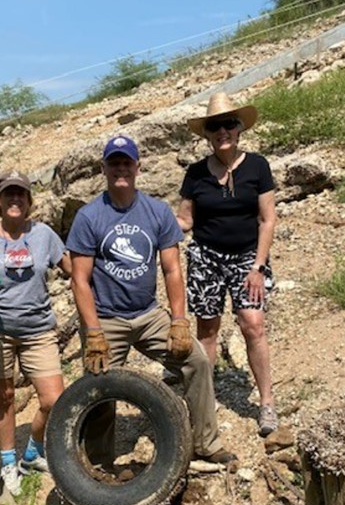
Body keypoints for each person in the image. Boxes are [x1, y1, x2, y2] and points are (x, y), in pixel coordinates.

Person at [66, 134, 237, 469]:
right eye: (114, 163)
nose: (121, 169)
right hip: (106, 318)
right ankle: (98, 465)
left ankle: (206, 443)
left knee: (197, 361)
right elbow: (80, 280)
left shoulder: (157, 212)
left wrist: (179, 321)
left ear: (138, 167)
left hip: (148, 315)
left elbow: (172, 269)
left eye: (126, 163)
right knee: (99, 384)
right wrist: (93, 332)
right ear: (103, 169)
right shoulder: (89, 217)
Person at [0, 171, 72, 496]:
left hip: (38, 329)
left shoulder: (44, 235)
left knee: (53, 399)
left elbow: (72, 268)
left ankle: (32, 453)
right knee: (4, 396)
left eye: (21, 194)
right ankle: (8, 461)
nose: (15, 199)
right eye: (9, 194)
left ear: (29, 201)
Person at [178, 92, 279, 437]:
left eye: (229, 124)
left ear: (239, 129)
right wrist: (150, 221)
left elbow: (267, 219)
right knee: (207, 329)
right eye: (215, 126)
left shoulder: (258, 166)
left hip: (248, 257)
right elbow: (185, 220)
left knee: (253, 324)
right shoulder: (195, 173)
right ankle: (204, 404)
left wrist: (258, 267)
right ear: (207, 134)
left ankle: (266, 402)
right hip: (206, 256)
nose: (223, 131)